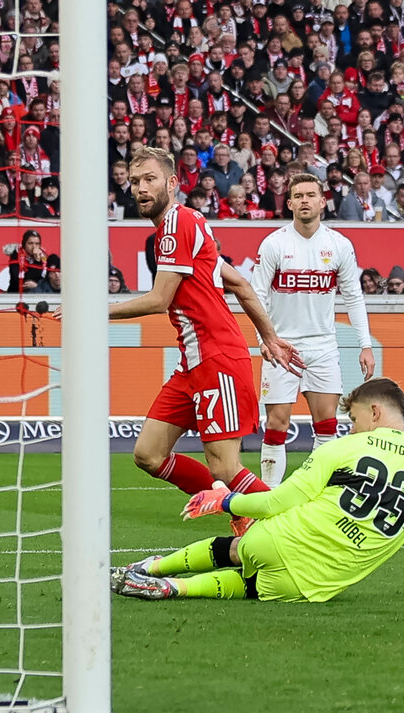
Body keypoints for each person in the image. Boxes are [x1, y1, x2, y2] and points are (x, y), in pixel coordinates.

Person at [110, 377, 404, 604]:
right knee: (252, 589)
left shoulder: (347, 447)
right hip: (317, 585)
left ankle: (152, 568)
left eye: (355, 416)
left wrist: (223, 499)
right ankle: (176, 591)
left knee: (237, 549)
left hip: (277, 539)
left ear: (375, 412)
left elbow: (278, 501)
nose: (351, 425)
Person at [90, 147, 302, 536]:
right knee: (148, 455)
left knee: (225, 467)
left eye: (149, 179)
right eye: (135, 181)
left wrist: (92, 310)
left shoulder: (176, 226)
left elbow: (160, 300)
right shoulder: (190, 224)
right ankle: (237, 510)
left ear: (171, 183)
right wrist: (268, 338)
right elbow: (237, 282)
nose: (140, 188)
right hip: (193, 364)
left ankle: (292, 527)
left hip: (215, 358)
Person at [251, 173, 375, 489]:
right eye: (298, 195)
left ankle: (315, 494)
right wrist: (263, 340)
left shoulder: (339, 245)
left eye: (311, 195)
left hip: (323, 346)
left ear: (322, 202)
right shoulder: (274, 244)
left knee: (327, 426)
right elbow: (256, 296)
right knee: (277, 424)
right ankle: (270, 496)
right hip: (281, 347)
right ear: (289, 202)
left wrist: (365, 344)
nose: (305, 200)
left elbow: (354, 297)